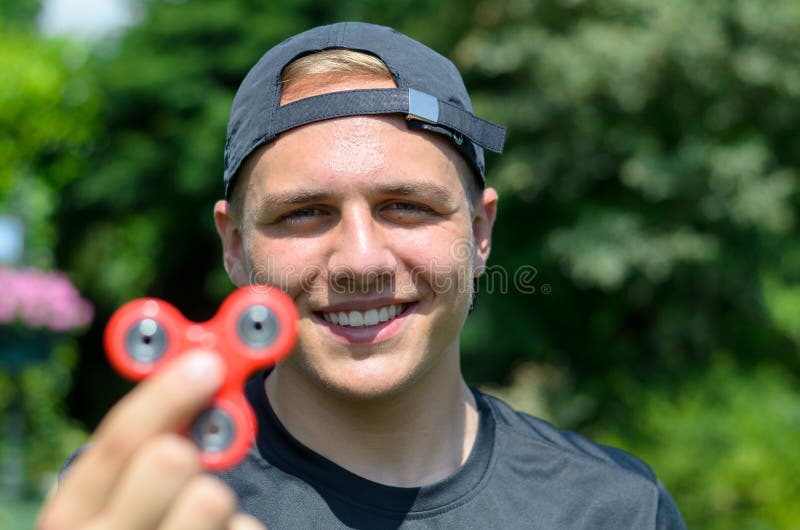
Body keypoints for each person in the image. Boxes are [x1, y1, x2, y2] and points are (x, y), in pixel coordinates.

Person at [38, 22, 687, 529]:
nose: (360, 260)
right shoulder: (141, 505)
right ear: (234, 248)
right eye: (305, 213)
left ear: (480, 233)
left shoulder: (615, 509)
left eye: (406, 207)